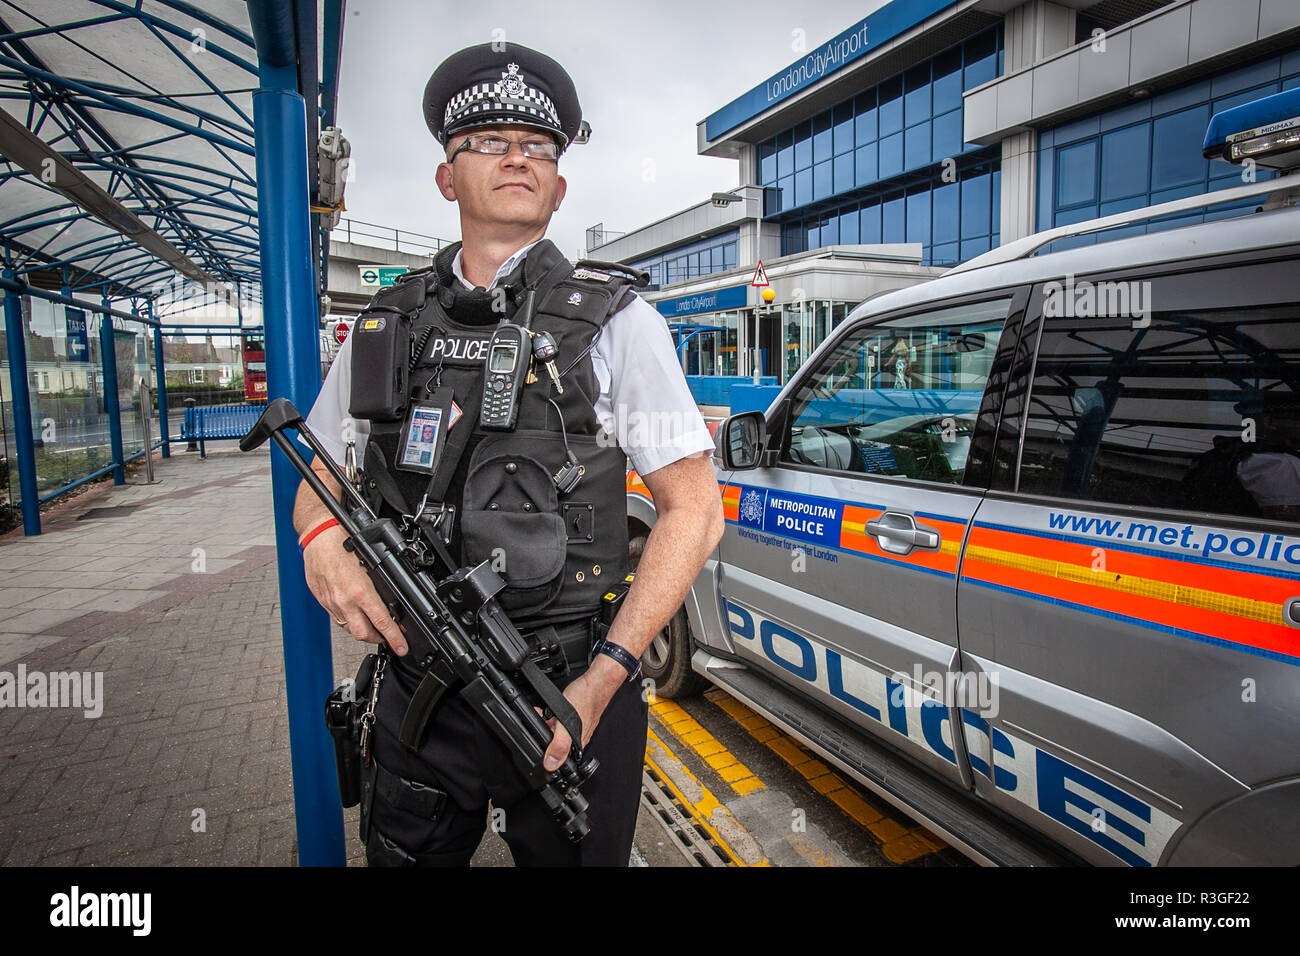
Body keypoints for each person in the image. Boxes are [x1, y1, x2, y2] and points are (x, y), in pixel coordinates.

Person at [292, 41, 723, 866]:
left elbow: (695, 512)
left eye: (537, 147)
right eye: (489, 140)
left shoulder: (618, 321)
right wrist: (321, 544)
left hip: (567, 686)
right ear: (447, 178)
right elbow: (316, 466)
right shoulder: (387, 325)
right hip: (418, 681)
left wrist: (604, 680)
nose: (517, 156)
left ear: (559, 187)